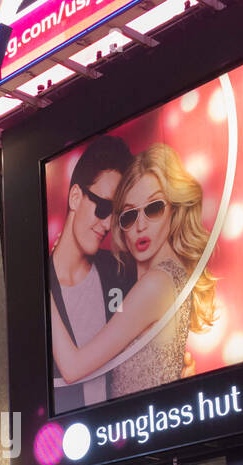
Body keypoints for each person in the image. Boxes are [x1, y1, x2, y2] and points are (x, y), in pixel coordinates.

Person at [51, 143, 219, 402]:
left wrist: (38, 283)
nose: (140, 226)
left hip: (139, 430)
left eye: (154, 209)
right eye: (128, 215)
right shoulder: (134, 276)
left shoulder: (153, 284)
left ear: (173, 209)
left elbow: (72, 368)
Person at [49, 134, 135, 413]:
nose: (108, 223)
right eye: (103, 207)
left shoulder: (121, 272)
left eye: (116, 213)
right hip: (58, 447)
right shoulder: (35, 282)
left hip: (124, 434)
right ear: (75, 197)